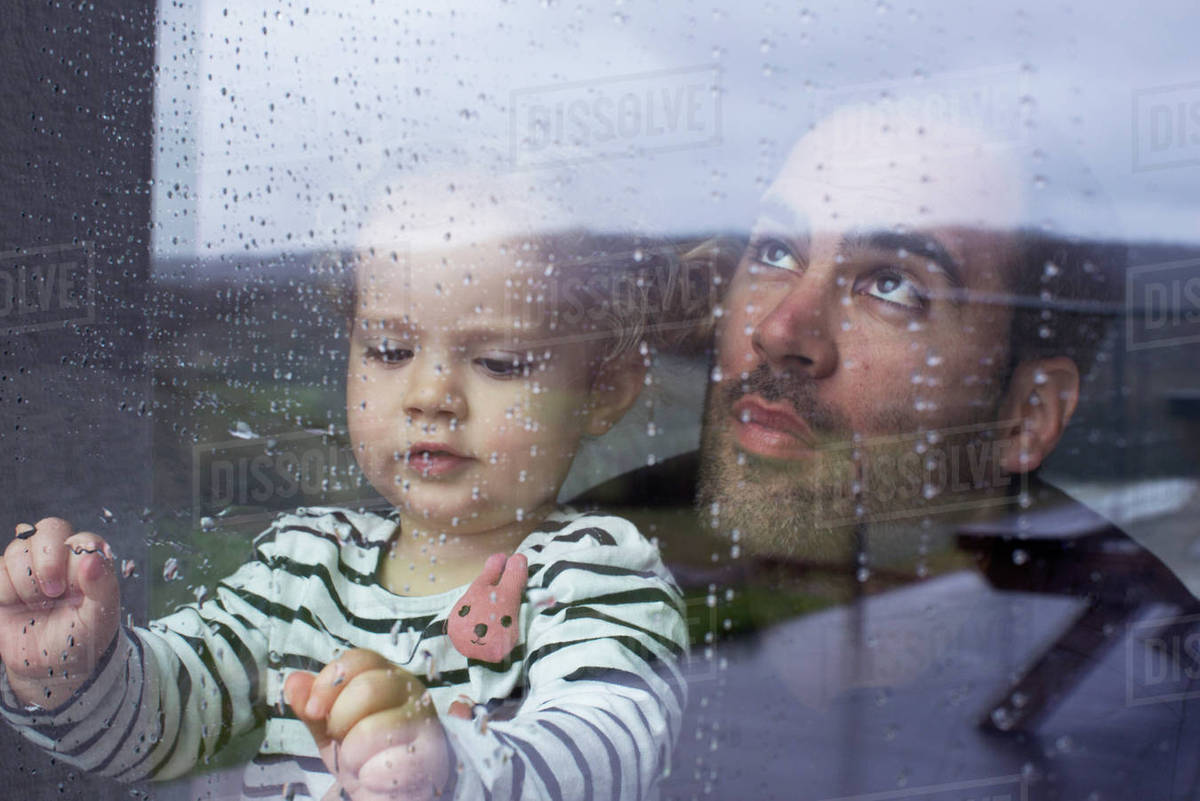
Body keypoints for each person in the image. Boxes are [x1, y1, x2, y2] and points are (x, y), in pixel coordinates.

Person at [577, 102, 1200, 799]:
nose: (781, 329)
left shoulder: (1152, 712)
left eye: (892, 285)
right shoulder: (558, 587)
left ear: (1027, 415)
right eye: (776, 251)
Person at [0, 202, 690, 801]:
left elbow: (608, 750)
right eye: (390, 349)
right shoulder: (301, 563)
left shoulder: (598, 576)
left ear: (605, 388)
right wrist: (76, 671)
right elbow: (170, 718)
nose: (430, 394)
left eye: (499, 362)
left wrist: (449, 769)